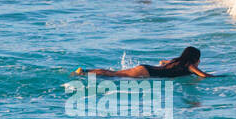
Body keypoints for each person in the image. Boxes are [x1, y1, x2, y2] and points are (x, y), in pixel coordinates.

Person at [73, 46, 215, 79]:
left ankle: (86, 71)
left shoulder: (177, 61)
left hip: (147, 69)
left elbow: (163, 61)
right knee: (114, 74)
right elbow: (204, 76)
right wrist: (223, 77)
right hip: (147, 72)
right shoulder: (188, 66)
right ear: (195, 59)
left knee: (115, 74)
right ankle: (85, 72)